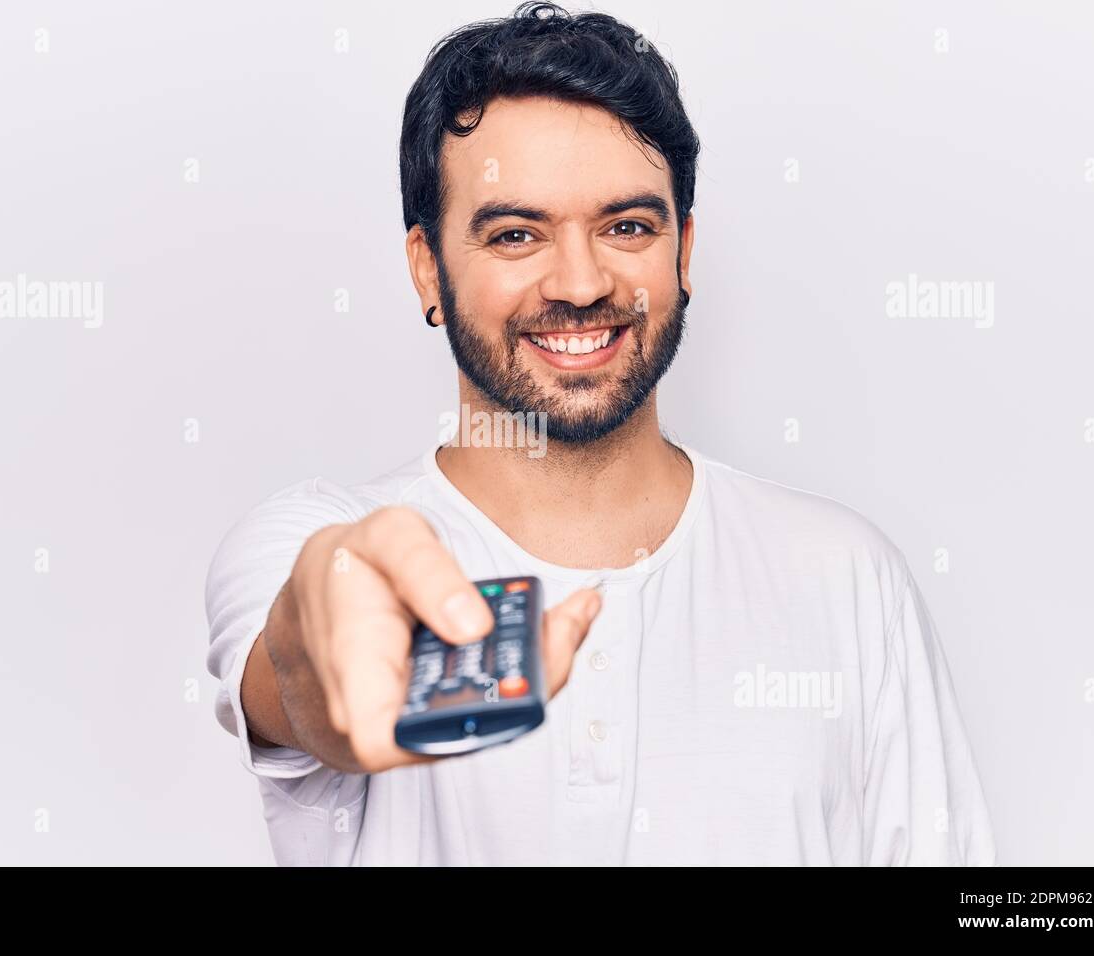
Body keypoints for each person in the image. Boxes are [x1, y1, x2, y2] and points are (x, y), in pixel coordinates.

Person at [204, 2, 996, 865]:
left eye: (627, 227)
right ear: (428, 269)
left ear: (683, 253)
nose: (581, 283)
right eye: (516, 234)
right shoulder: (313, 540)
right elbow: (305, 679)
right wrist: (330, 643)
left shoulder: (848, 576)